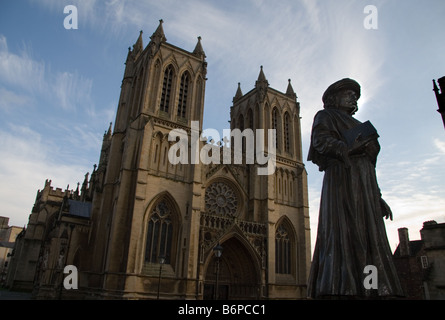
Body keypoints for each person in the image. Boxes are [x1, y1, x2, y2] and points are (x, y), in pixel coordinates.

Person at [307, 78, 403, 299]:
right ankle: (343, 287)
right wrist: (348, 146)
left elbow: (371, 165)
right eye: (348, 93)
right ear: (333, 98)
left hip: (365, 184)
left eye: (356, 96)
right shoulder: (326, 116)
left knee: (370, 240)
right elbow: (320, 142)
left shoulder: (359, 125)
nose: (353, 98)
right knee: (345, 235)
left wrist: (377, 197)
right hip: (343, 180)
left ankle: (372, 287)